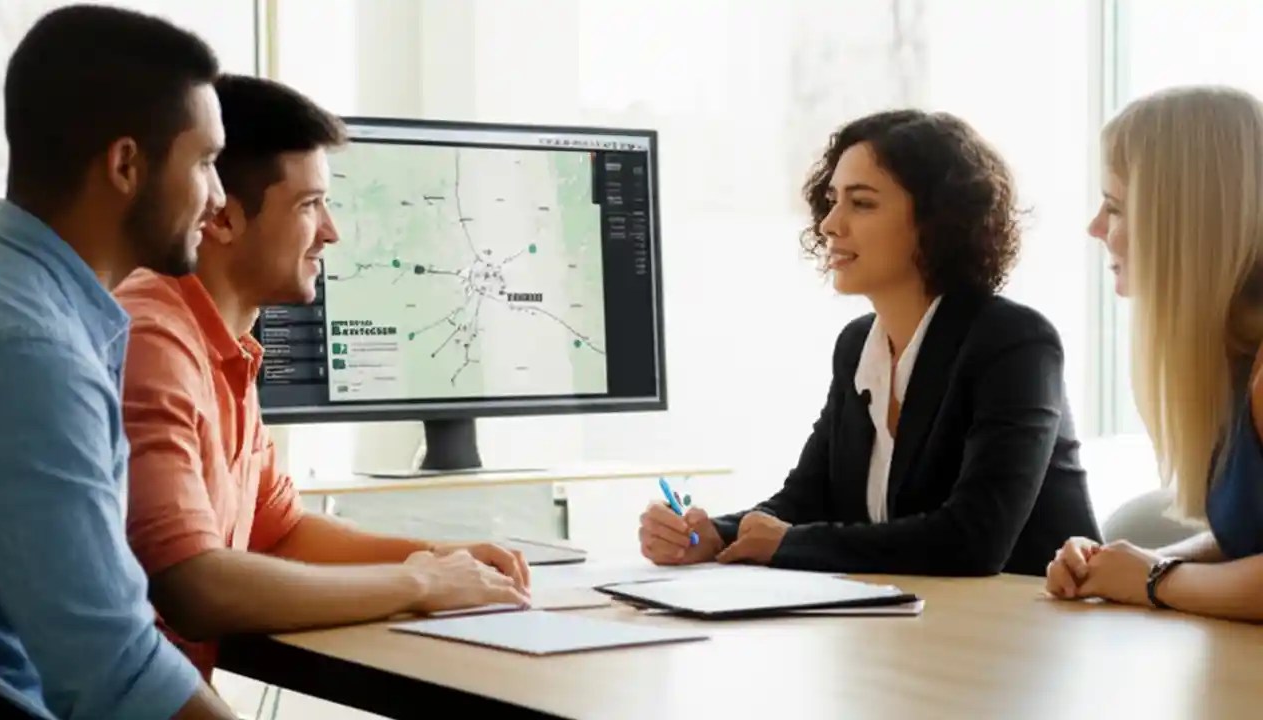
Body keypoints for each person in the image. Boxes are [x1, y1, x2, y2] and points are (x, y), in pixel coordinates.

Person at [114, 74, 532, 680]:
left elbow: (277, 532)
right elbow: (195, 588)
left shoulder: (221, 343)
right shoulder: (155, 341)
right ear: (223, 219)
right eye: (309, 205)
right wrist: (418, 581)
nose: (331, 231)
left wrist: (446, 557)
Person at [638, 110, 1101, 576]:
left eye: (861, 203)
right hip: (923, 626)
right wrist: (714, 535)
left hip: (1032, 626)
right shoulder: (859, 345)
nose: (829, 225)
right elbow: (808, 499)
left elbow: (974, 538)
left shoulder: (1013, 342)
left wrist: (787, 543)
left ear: (937, 220)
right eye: (832, 200)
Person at [0, 5, 238, 720]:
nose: (218, 200)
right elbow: (113, 673)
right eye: (207, 163)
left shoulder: (23, 303)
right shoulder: (32, 352)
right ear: (127, 165)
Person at [1046, 86, 1263, 622]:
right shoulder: (1235, 359)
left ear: (1187, 222)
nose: (1096, 227)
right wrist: (1131, 566)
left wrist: (1153, 578)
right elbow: (1249, 543)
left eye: (1115, 207)